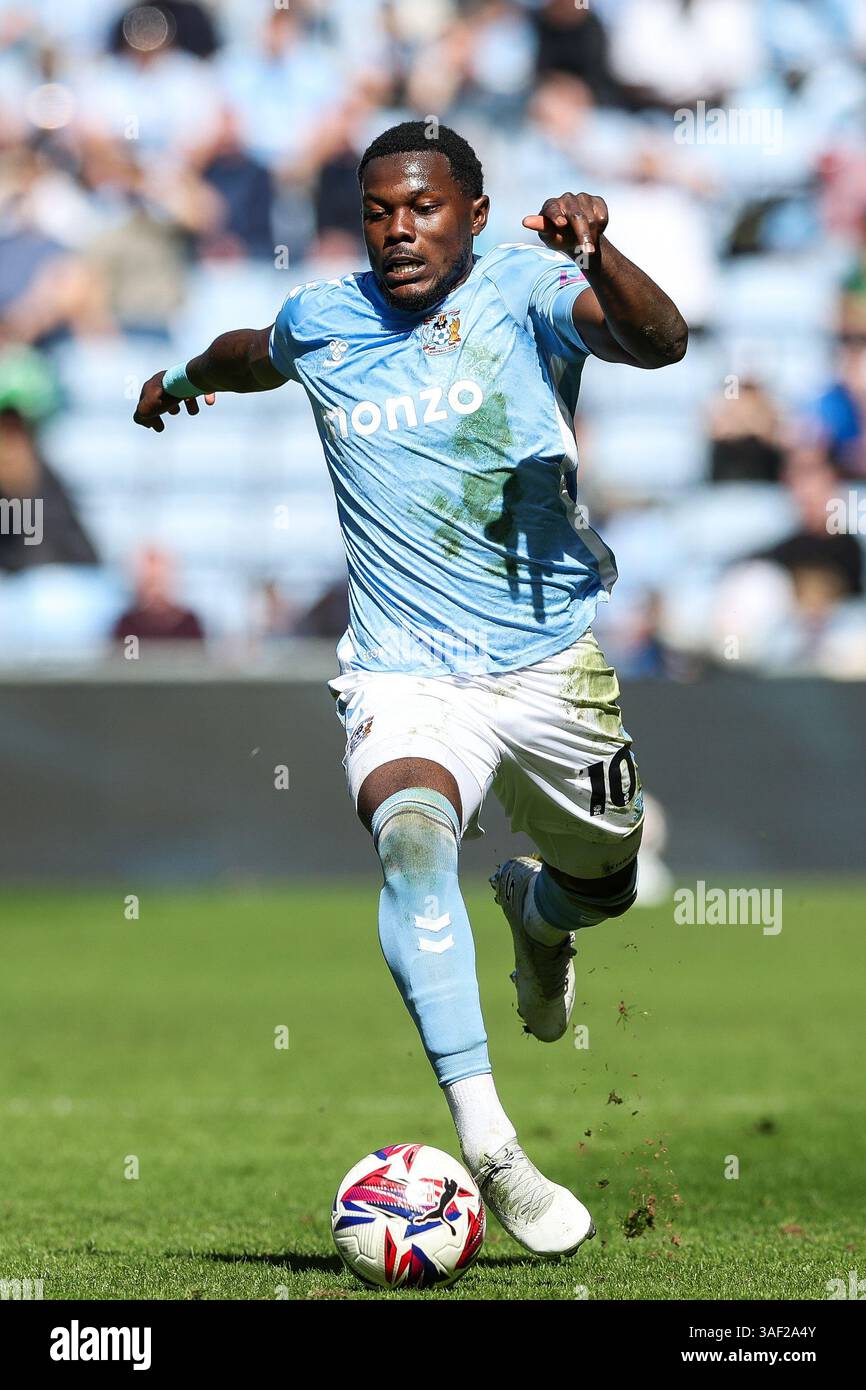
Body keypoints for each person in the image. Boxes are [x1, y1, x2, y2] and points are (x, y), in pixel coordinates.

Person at [133, 122, 687, 1258]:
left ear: (473, 215)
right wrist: (183, 377)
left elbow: (661, 342)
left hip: (546, 668)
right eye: (380, 209)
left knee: (605, 883)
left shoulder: (531, 289)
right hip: (402, 667)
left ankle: (540, 916)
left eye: (423, 208)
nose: (399, 230)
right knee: (410, 833)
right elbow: (255, 349)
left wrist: (598, 253)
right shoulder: (326, 321)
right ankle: (489, 1143)